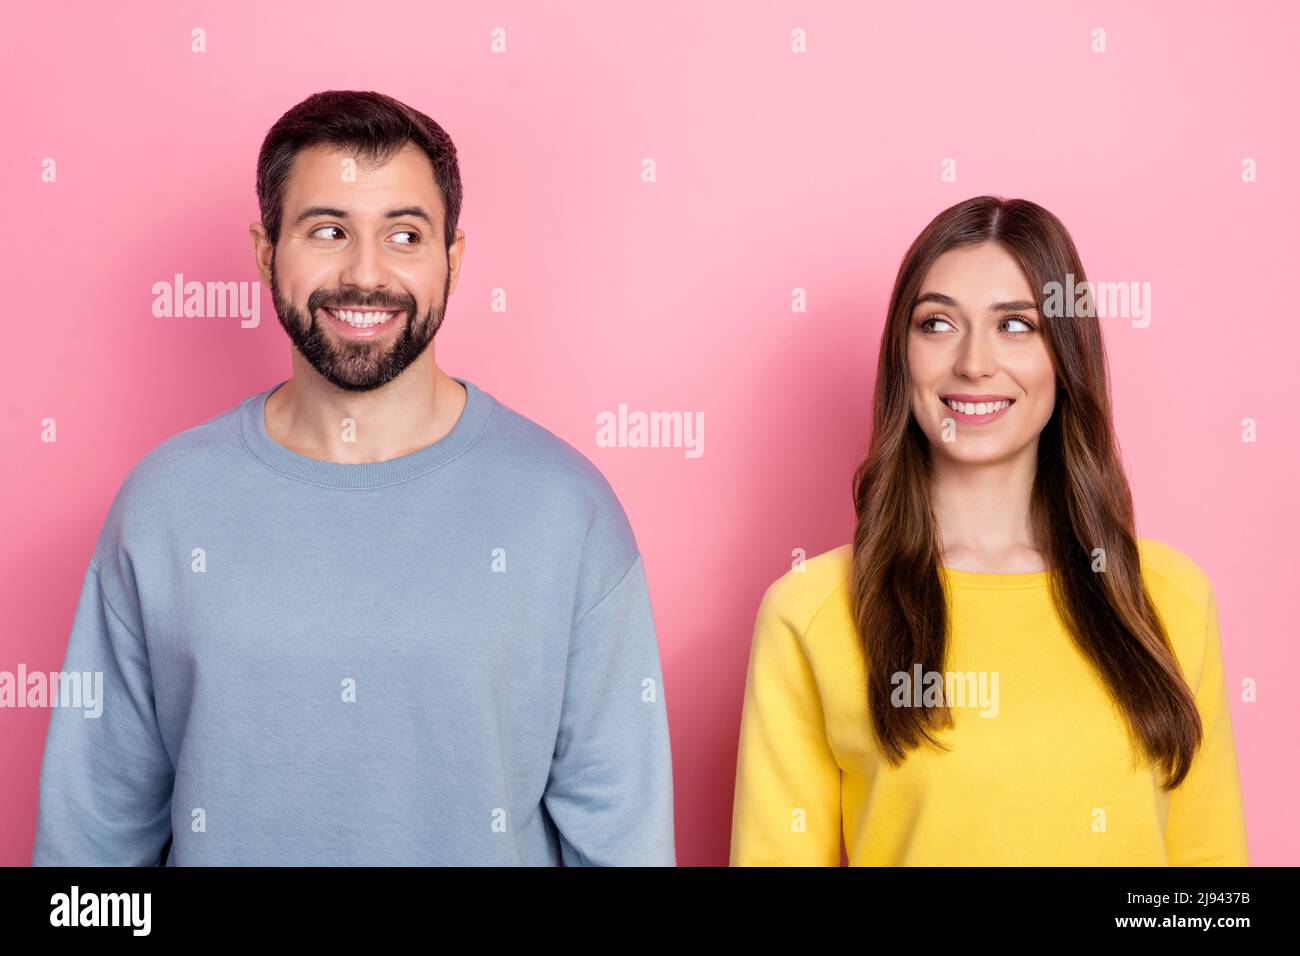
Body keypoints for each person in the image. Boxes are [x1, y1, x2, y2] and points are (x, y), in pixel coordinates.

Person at [32, 90, 675, 866]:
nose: (366, 275)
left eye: (404, 234)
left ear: (453, 259)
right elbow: (90, 847)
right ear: (266, 252)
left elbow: (622, 842)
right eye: (328, 230)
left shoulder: (569, 513)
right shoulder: (162, 507)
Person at [729, 196, 1248, 866]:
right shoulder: (809, 611)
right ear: (902, 356)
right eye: (938, 323)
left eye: (1016, 326)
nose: (974, 363)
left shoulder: (1170, 599)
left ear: (1065, 355)